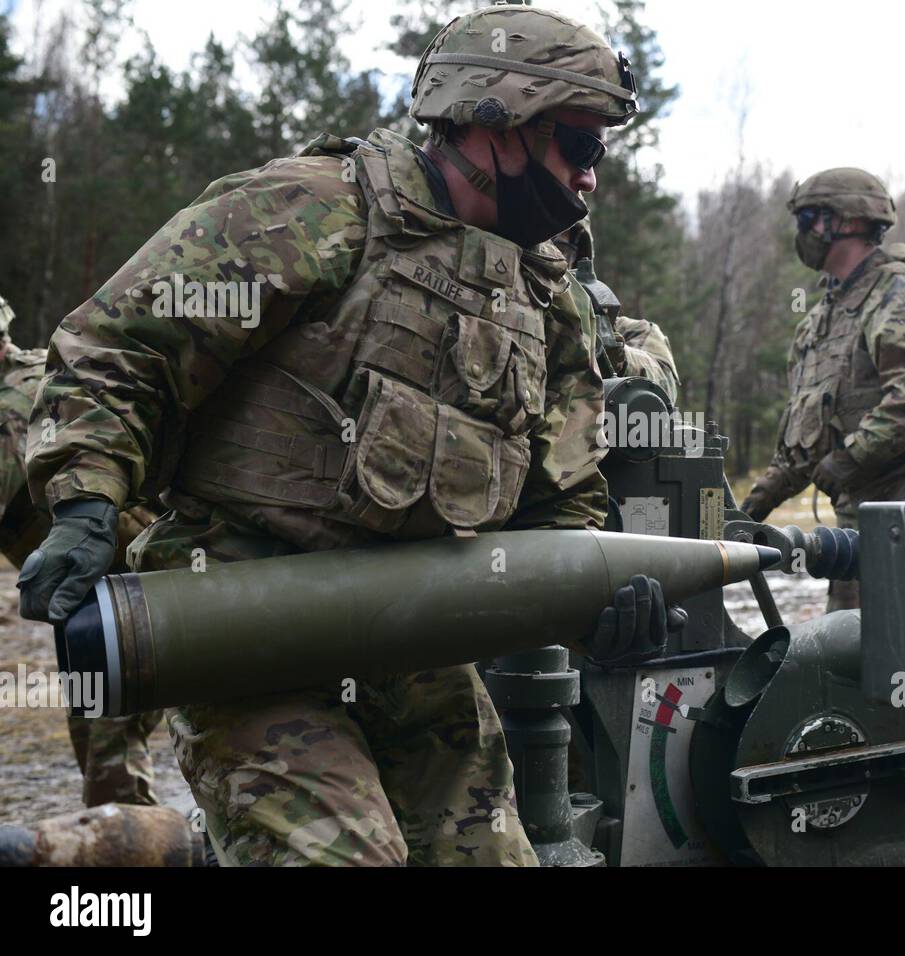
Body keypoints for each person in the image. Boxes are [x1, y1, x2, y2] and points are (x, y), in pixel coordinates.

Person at [18, 4, 669, 866]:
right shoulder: (310, 211)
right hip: (247, 630)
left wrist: (601, 609)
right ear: (492, 121)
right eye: (578, 146)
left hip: (416, 646)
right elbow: (119, 348)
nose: (590, 179)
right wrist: (84, 500)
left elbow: (562, 505)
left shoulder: (547, 296)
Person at [742, 168, 905, 611]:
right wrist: (749, 510)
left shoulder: (903, 289)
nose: (802, 233)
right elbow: (805, 445)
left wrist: (849, 458)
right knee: (850, 657)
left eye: (809, 218)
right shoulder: (821, 321)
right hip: (857, 523)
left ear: (846, 221)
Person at [0, 294, 164, 808]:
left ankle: (132, 853)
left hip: (131, 585)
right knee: (93, 719)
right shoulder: (37, 375)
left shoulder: (13, 400)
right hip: (94, 597)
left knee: (108, 738)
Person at [556, 218, 680, 403]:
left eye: (560, 249)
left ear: (580, 259)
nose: (549, 256)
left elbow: (664, 382)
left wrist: (614, 354)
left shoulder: (632, 331)